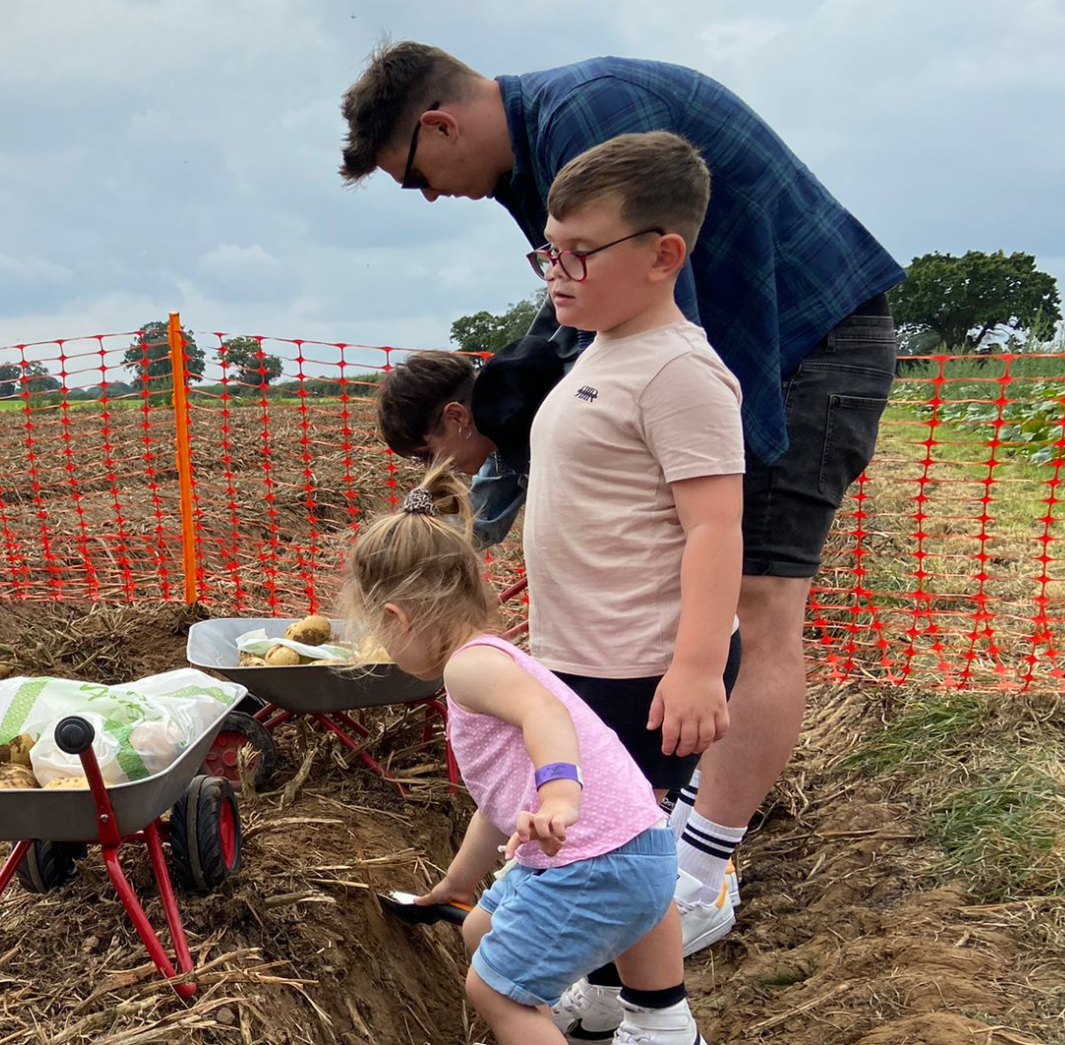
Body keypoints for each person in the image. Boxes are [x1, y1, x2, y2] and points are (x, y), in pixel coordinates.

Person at [340, 44, 905, 951]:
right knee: (697, 609)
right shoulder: (546, 151)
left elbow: (647, 358)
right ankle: (638, 845)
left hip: (804, 349)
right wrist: (486, 500)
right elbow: (565, 360)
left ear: (438, 126)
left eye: (416, 178)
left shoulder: (591, 124)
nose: (434, 195)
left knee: (756, 607)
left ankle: (695, 873)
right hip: (739, 359)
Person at [344, 461, 708, 1045]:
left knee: (495, 989)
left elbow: (547, 727)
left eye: (380, 640)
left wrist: (562, 797)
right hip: (625, 847)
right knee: (482, 932)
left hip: (592, 858)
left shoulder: (466, 672)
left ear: (398, 620)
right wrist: (455, 881)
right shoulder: (497, 656)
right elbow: (497, 798)